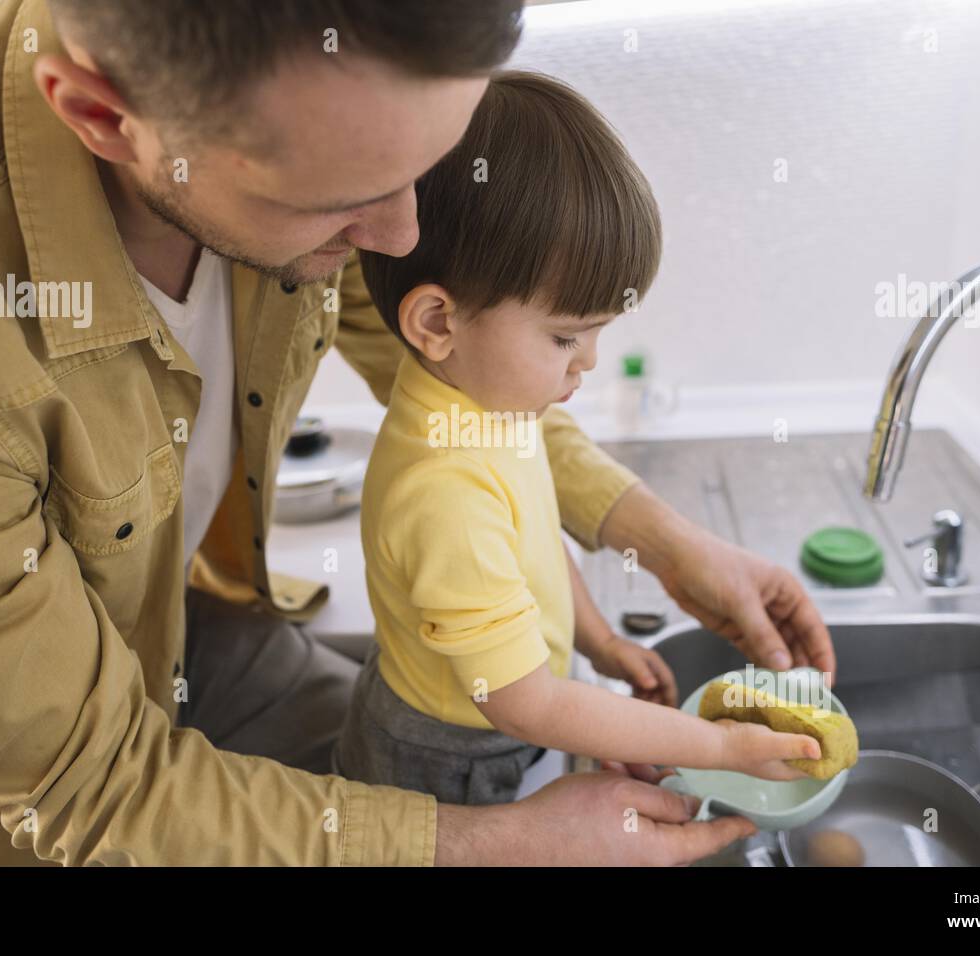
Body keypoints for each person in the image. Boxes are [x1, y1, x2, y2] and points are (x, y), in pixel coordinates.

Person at [0, 0, 835, 866]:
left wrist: (657, 536)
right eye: (342, 202)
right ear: (103, 118)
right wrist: (509, 843)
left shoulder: (298, 139)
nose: (400, 240)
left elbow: (452, 369)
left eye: (426, 167)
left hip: (192, 633)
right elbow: (88, 785)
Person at [334, 71, 822, 805]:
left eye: (597, 333)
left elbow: (533, 549)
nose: (588, 360)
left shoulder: (488, 406)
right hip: (449, 761)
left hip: (503, 706)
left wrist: (597, 642)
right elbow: (528, 704)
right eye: (566, 335)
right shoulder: (444, 492)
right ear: (437, 323)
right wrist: (719, 746)